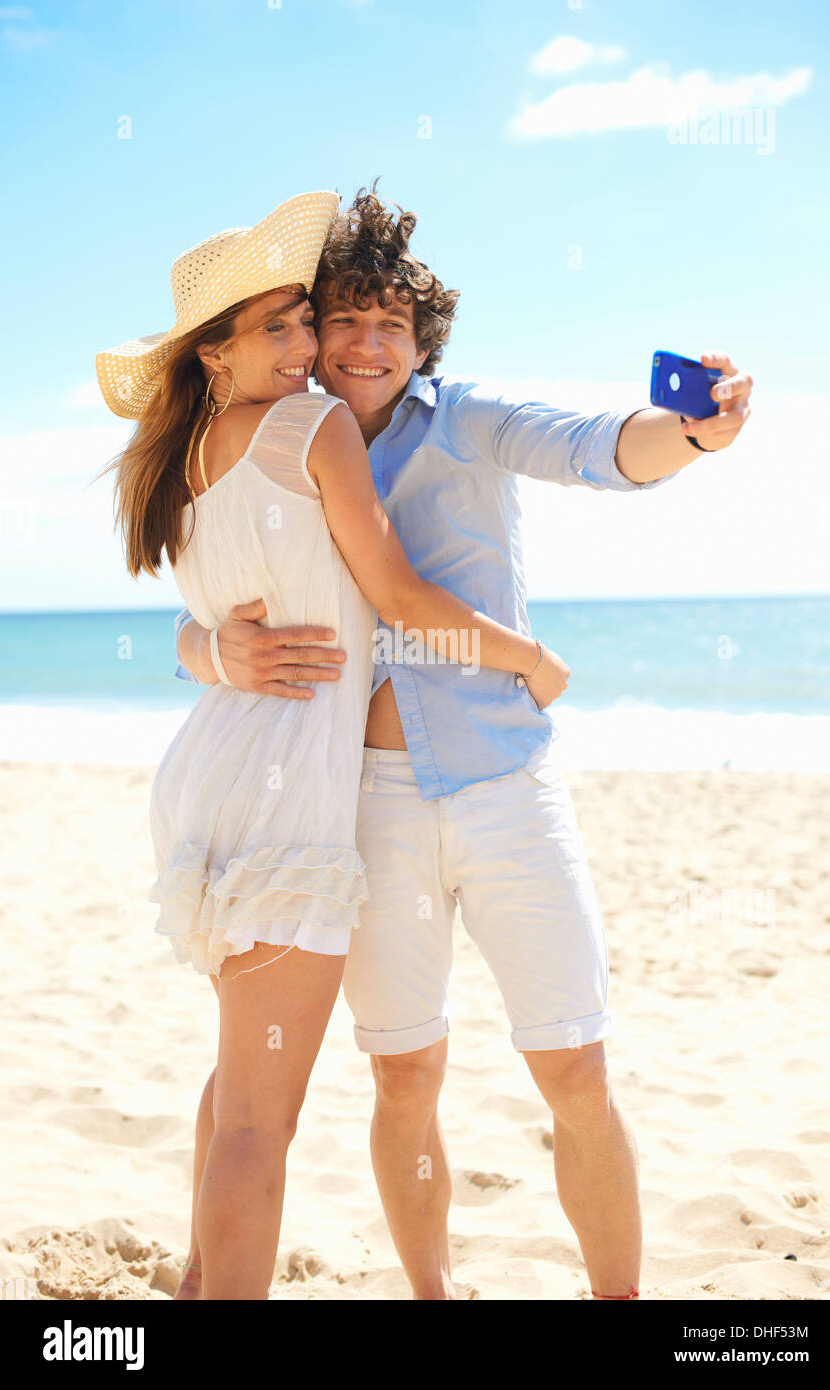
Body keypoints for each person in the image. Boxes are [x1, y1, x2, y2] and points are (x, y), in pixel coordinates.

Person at [175, 185, 754, 1301]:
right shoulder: (282, 440)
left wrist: (687, 430)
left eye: (391, 321)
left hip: (503, 785)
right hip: (364, 802)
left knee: (575, 1069)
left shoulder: (470, 418)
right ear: (309, 332)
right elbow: (209, 592)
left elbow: (595, 446)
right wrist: (213, 652)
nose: (364, 341)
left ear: (421, 338)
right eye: (341, 317)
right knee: (405, 1076)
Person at [94, 190, 571, 1301]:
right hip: (286, 790)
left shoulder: (183, 461)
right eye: (277, 328)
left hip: (213, 772)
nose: (308, 348)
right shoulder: (307, 429)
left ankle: (199, 1280)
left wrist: (210, 652)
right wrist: (525, 661)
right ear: (213, 354)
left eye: (303, 322)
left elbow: (214, 624)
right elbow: (398, 592)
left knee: (235, 1077)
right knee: (266, 1116)